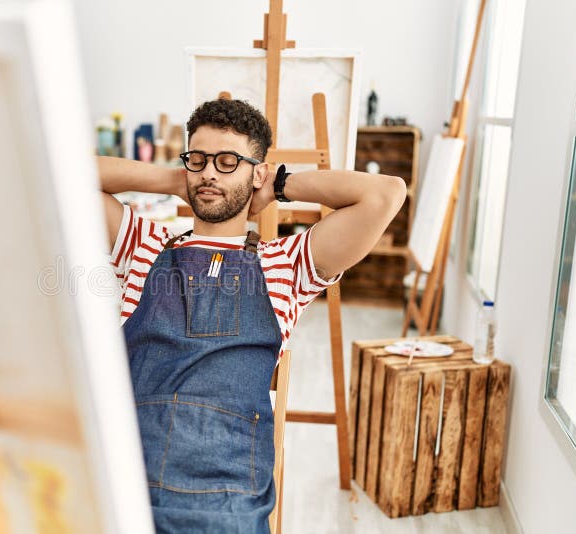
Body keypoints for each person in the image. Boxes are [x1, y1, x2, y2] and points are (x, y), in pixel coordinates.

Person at [98, 98, 405, 532]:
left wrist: (281, 184)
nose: (208, 173)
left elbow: (385, 193)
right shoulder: (144, 245)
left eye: (227, 161)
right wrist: (173, 179)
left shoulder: (287, 264)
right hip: (123, 484)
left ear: (256, 172)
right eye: (198, 160)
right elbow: (66, 175)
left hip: (226, 504)